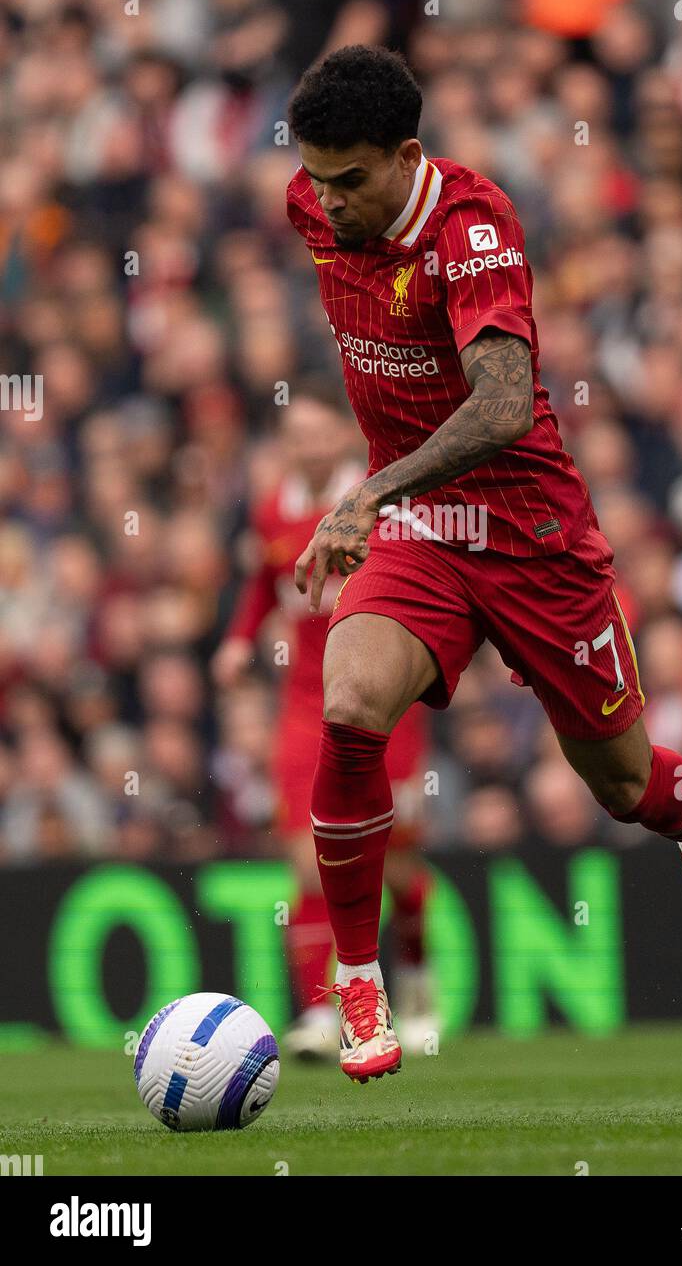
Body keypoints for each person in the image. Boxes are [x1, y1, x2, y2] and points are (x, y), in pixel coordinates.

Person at [287, 45, 682, 1083]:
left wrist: (364, 490)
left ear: (408, 155)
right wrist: (383, 490)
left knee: (623, 786)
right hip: (418, 526)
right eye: (314, 175)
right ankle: (355, 981)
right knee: (351, 695)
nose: (327, 199)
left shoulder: (473, 227)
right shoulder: (311, 208)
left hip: (531, 535)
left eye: (350, 178)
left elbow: (498, 407)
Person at [212, 386, 435, 1060]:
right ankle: (318, 1010)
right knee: (306, 856)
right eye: (296, 435)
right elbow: (262, 583)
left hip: (381, 693)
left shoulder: (376, 499)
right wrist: (238, 639)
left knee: (395, 860)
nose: (307, 446)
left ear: (343, 436)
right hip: (306, 702)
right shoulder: (271, 510)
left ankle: (418, 984)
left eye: (318, 433)